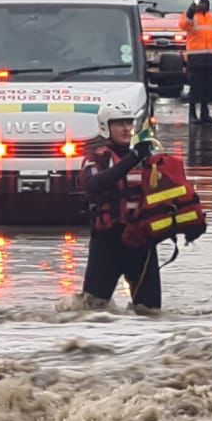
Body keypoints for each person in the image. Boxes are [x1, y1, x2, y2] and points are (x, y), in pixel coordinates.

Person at [81, 105, 163, 310]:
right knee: (92, 310)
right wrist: (132, 158)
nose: (127, 129)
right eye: (119, 124)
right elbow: (93, 185)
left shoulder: (148, 159)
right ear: (105, 127)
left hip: (141, 242)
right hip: (108, 243)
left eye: (129, 123)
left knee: (150, 312)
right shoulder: (96, 158)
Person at [179, 0, 212, 124]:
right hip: (195, 57)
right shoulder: (191, 16)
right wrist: (190, 12)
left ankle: (204, 113)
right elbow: (183, 25)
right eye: (199, 3)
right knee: (195, 87)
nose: (201, 6)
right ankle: (192, 114)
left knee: (207, 87)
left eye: (203, 3)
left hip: (210, 57)